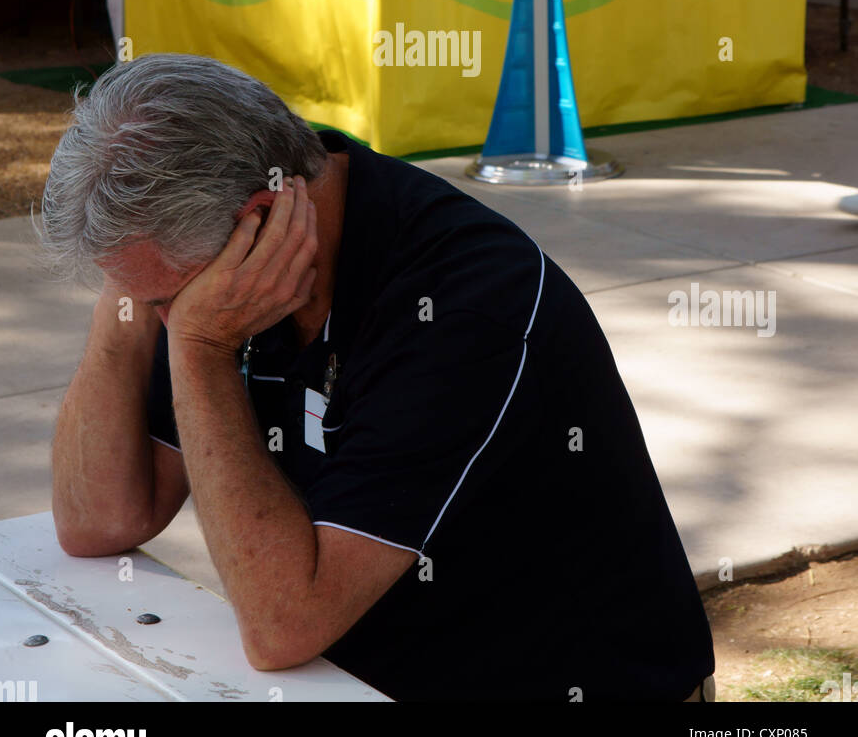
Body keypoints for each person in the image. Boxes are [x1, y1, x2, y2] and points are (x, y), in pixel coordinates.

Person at [39, 52, 715, 703]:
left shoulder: (465, 302)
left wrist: (199, 346)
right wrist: (124, 302)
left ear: (262, 224)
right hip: (368, 679)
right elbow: (98, 520)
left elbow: (282, 624)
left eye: (164, 301)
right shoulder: (226, 266)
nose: (161, 319)